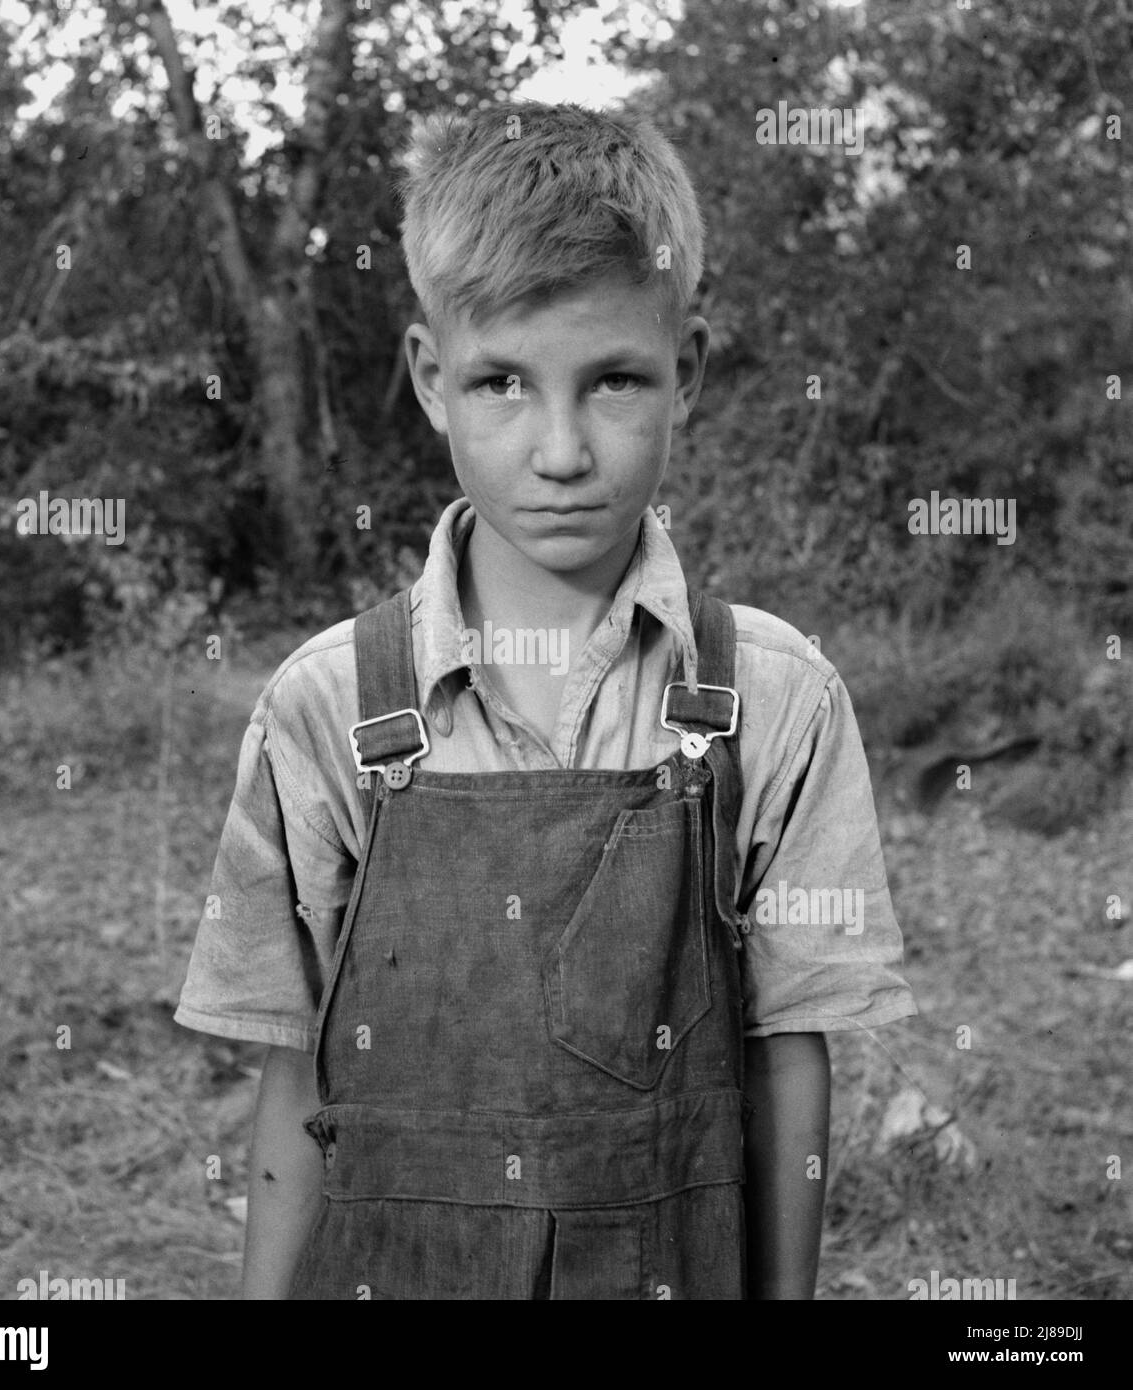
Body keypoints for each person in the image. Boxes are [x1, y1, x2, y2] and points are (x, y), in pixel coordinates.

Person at [174, 100, 917, 1300]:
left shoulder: (775, 698)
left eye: (615, 380)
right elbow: (297, 1084)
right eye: (503, 383)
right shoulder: (324, 707)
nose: (562, 449)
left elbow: (789, 1063)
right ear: (430, 379)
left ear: (690, 372)